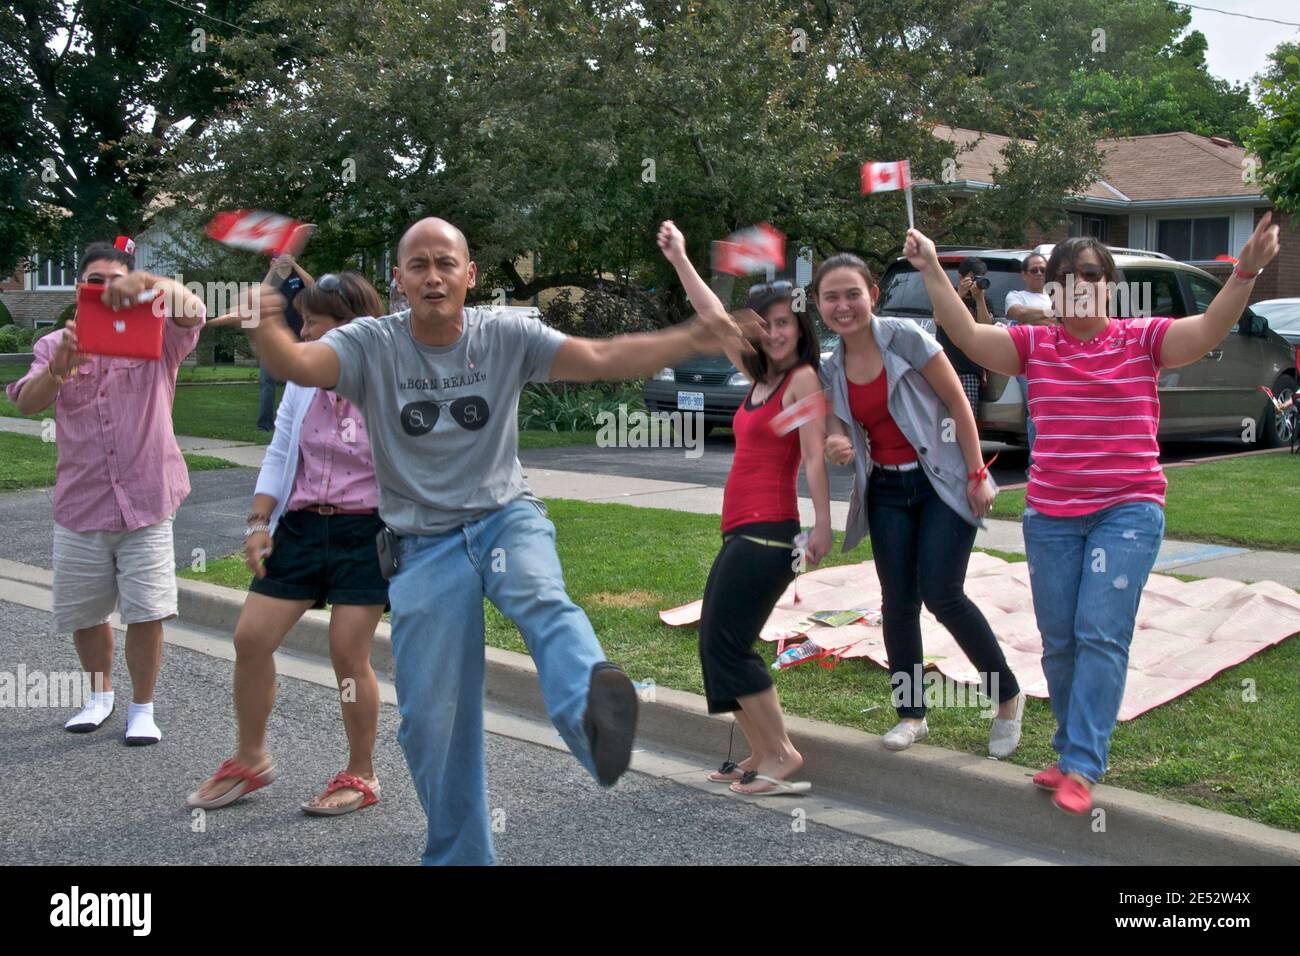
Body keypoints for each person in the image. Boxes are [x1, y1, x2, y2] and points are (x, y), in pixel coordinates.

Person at [240, 216, 756, 864]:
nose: (433, 276)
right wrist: (263, 319)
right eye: (418, 265)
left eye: (446, 263)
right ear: (398, 279)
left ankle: (595, 717)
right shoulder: (370, 345)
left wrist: (687, 337)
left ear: (470, 274)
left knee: (539, 594)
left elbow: (599, 358)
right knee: (430, 727)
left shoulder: (504, 334)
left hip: (503, 517)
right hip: (421, 545)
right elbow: (295, 362)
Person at [902, 215, 1281, 814]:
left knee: (1100, 632)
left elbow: (1209, 328)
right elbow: (969, 336)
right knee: (1058, 643)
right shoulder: (1034, 344)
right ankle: (1069, 752)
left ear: (1109, 284)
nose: (1078, 283)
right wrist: (930, 270)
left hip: (1126, 510)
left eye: (1090, 273)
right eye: (1064, 276)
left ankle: (1082, 764)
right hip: (1051, 515)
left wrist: (1248, 271)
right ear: (1049, 289)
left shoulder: (1142, 339)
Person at [188, 272, 391, 816]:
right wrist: (258, 523)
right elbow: (280, 452)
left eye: (314, 325)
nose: (302, 337)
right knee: (251, 639)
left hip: (364, 531)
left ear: (354, 330)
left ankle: (362, 770)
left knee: (349, 654)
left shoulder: (386, 379)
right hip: (301, 526)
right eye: (299, 325)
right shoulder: (303, 381)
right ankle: (250, 758)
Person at [815, 253, 1024, 758]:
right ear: (818, 304)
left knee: (942, 592)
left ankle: (1007, 697)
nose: (843, 306)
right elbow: (837, 424)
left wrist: (977, 474)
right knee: (899, 604)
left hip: (942, 483)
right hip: (886, 490)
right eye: (831, 297)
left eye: (852, 294)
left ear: (873, 294)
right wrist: (837, 440)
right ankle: (911, 715)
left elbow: (958, 404)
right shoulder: (830, 365)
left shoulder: (907, 339)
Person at [6, 242, 206, 744]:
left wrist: (152, 286)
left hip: (147, 498)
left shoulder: (156, 336)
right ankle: (99, 696)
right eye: (96, 282)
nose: (107, 291)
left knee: (147, 611)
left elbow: (195, 311)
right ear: (80, 288)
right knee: (86, 612)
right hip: (82, 503)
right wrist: (59, 369)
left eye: (117, 280)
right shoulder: (56, 344)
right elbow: (27, 403)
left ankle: (143, 707)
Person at [657, 221, 831, 796]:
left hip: (770, 534)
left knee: (726, 642)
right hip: (742, 532)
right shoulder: (759, 377)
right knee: (719, 642)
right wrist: (682, 256)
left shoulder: (802, 380)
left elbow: (812, 460)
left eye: (786, 324)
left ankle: (782, 752)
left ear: (799, 330)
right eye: (769, 323)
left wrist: (823, 526)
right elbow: (712, 315)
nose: (776, 331)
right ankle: (760, 750)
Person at [1003, 252, 1054, 469]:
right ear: (1024, 275)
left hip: (1055, 360)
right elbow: (1017, 312)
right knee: (1036, 410)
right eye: (1034, 270)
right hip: (1029, 361)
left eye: (1043, 269)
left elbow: (1065, 320)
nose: (1039, 274)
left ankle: (1052, 461)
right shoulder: (1016, 295)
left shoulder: (1056, 296)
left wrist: (1035, 318)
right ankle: (1036, 464)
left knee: (1054, 411)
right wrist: (1050, 315)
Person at [257, 252, 313, 431]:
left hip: (297, 335)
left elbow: (312, 286)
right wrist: (272, 271)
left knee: (299, 381)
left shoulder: (297, 277)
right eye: (279, 257)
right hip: (272, 336)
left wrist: (295, 265)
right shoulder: (269, 278)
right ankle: (265, 423)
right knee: (267, 382)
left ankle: (298, 421)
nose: (283, 260)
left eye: (286, 256)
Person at [934, 256, 992, 413]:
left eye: (980, 278)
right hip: (946, 367)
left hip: (969, 370)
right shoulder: (948, 295)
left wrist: (979, 299)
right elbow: (938, 319)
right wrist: (959, 295)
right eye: (972, 278)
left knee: (965, 417)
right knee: (943, 419)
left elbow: (987, 328)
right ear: (961, 277)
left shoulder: (983, 300)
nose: (975, 282)